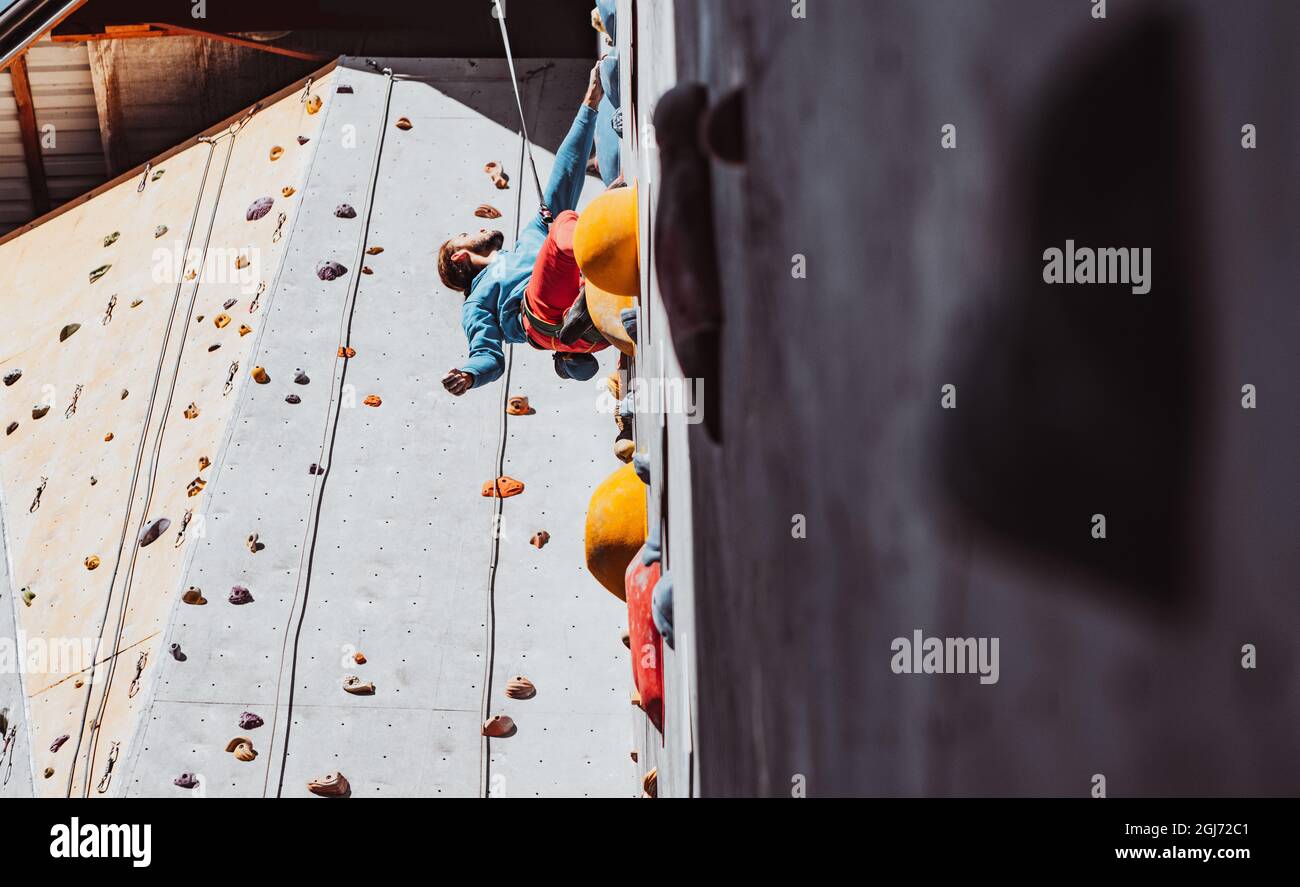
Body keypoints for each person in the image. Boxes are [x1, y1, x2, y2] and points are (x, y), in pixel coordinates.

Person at [439, 63, 611, 396]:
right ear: (460, 256)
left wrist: (590, 103)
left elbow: (564, 177)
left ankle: (597, 289)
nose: (477, 228)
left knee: (566, 215)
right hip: (548, 320)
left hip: (585, 311)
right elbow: (488, 355)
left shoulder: (527, 242)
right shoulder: (477, 302)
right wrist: (470, 373)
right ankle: (593, 281)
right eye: (465, 234)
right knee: (562, 225)